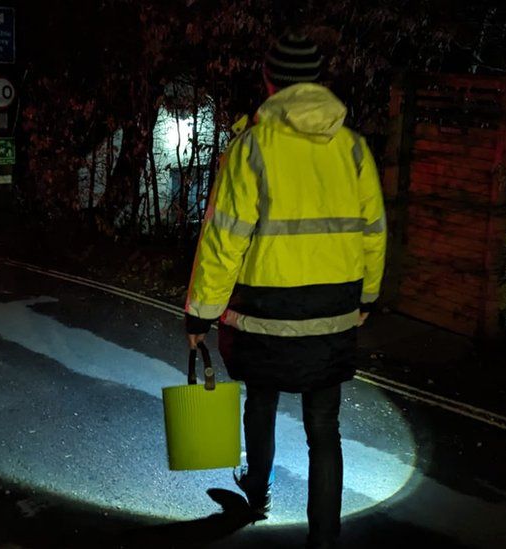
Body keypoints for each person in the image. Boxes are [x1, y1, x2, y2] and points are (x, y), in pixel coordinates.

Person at [184, 32, 387, 549]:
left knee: (261, 400)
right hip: (334, 311)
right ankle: (324, 538)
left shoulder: (252, 147)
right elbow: (373, 231)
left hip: (264, 311)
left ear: (270, 81)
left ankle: (256, 494)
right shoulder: (355, 149)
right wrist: (366, 298)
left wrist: (200, 314)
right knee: (325, 428)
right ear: (319, 80)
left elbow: (225, 238)